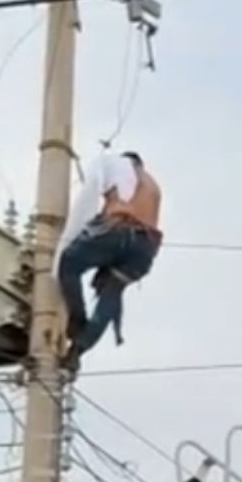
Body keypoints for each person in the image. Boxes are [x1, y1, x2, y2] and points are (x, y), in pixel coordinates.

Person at [57, 149, 163, 373]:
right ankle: (77, 351)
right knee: (111, 296)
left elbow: (93, 195)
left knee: (68, 263)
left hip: (118, 231)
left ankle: (77, 321)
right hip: (144, 249)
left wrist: (73, 231)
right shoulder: (153, 186)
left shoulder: (121, 167)